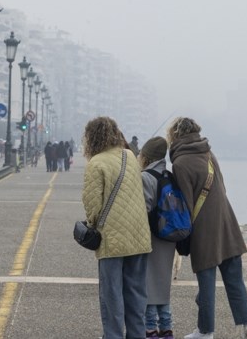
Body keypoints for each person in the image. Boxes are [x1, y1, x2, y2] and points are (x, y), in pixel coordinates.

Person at [167, 117, 247, 339]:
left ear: (175, 135)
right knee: (235, 279)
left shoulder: (180, 163)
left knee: (206, 284)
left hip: (204, 229)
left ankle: (206, 331)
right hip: (227, 222)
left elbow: (185, 203)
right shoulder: (208, 153)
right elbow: (222, 185)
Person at [82, 116, 151, 339]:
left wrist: (92, 225)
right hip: (139, 237)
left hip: (112, 239)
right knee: (136, 295)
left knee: (112, 297)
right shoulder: (130, 156)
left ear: (91, 138)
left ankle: (113, 336)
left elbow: (93, 205)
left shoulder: (96, 163)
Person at [139, 137, 176, 339]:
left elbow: (143, 209)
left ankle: (150, 330)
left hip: (151, 237)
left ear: (146, 156)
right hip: (168, 237)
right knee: (163, 285)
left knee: (149, 286)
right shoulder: (168, 174)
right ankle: (167, 329)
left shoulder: (146, 177)